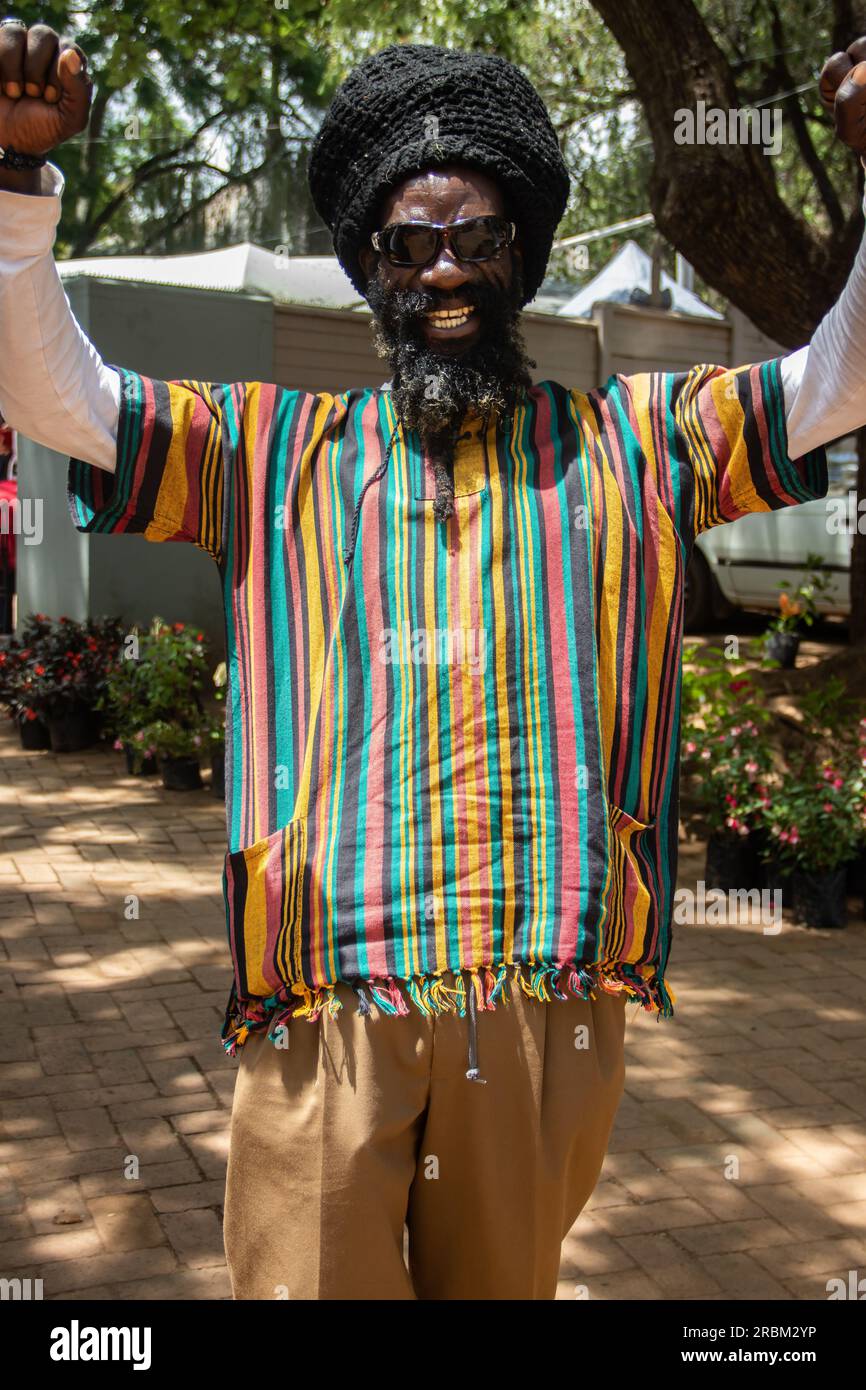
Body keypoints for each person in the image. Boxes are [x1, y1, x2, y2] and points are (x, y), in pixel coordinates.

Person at [1, 21, 866, 1300]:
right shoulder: (268, 452)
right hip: (323, 998)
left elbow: (836, 382)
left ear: (521, 253)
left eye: (478, 237)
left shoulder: (638, 442)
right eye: (410, 245)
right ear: (369, 267)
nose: (445, 270)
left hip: (540, 995)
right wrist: (17, 192)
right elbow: (57, 399)